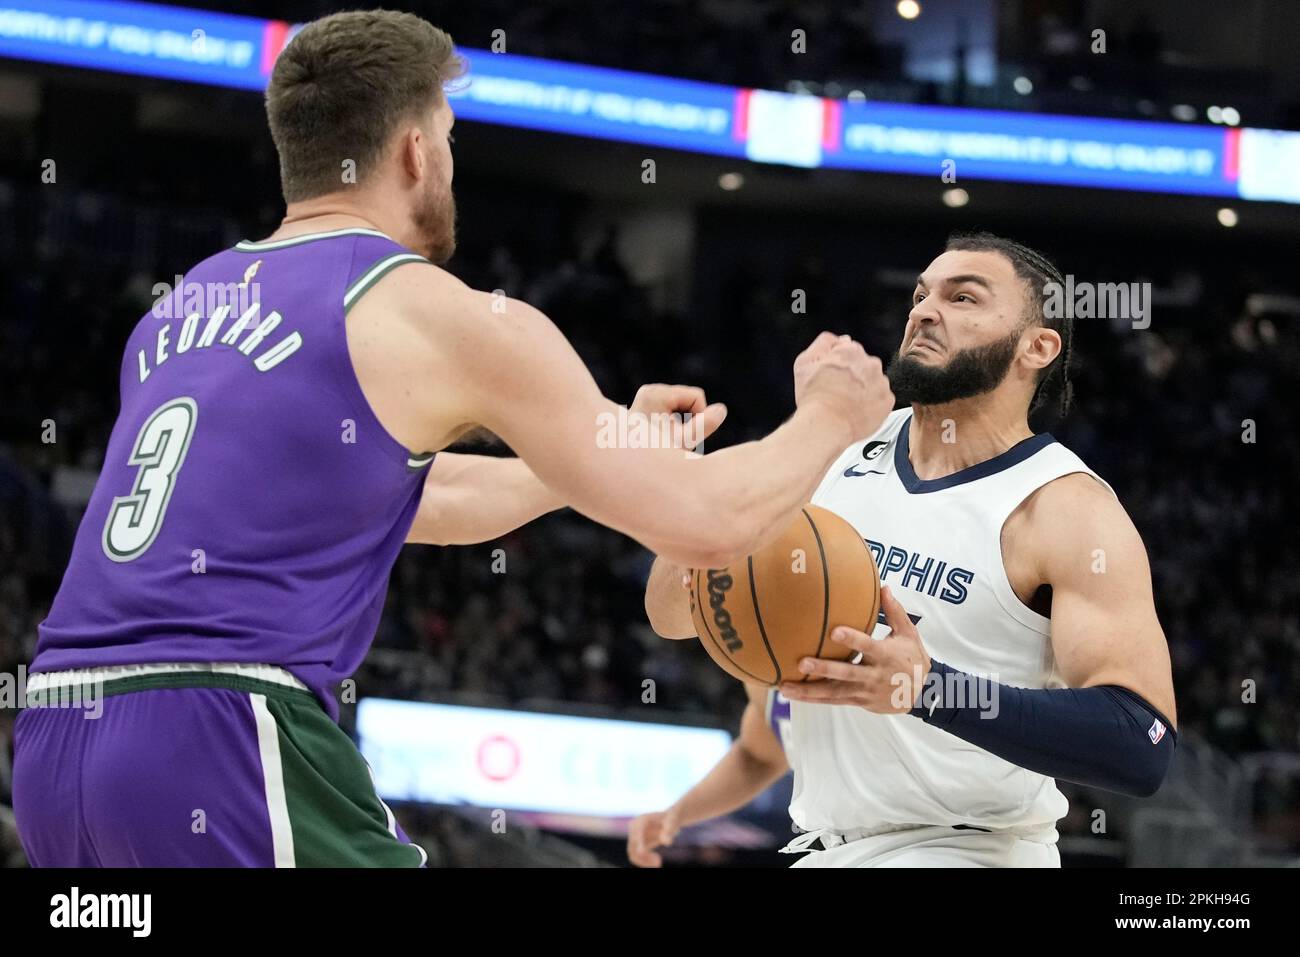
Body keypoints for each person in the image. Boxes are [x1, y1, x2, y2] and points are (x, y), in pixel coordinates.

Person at [12, 10, 893, 867]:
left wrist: (584, 452)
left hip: (57, 733)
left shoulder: (181, 306)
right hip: (217, 726)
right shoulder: (440, 311)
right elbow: (708, 523)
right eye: (451, 135)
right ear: (415, 150)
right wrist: (832, 415)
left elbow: (408, 499)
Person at [645, 232, 1178, 867]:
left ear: (1036, 347)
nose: (925, 310)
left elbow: (1139, 744)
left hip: (967, 850)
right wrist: (718, 490)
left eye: (963, 298)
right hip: (822, 846)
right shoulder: (836, 446)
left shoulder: (1064, 508)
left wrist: (928, 689)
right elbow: (670, 614)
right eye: (921, 294)